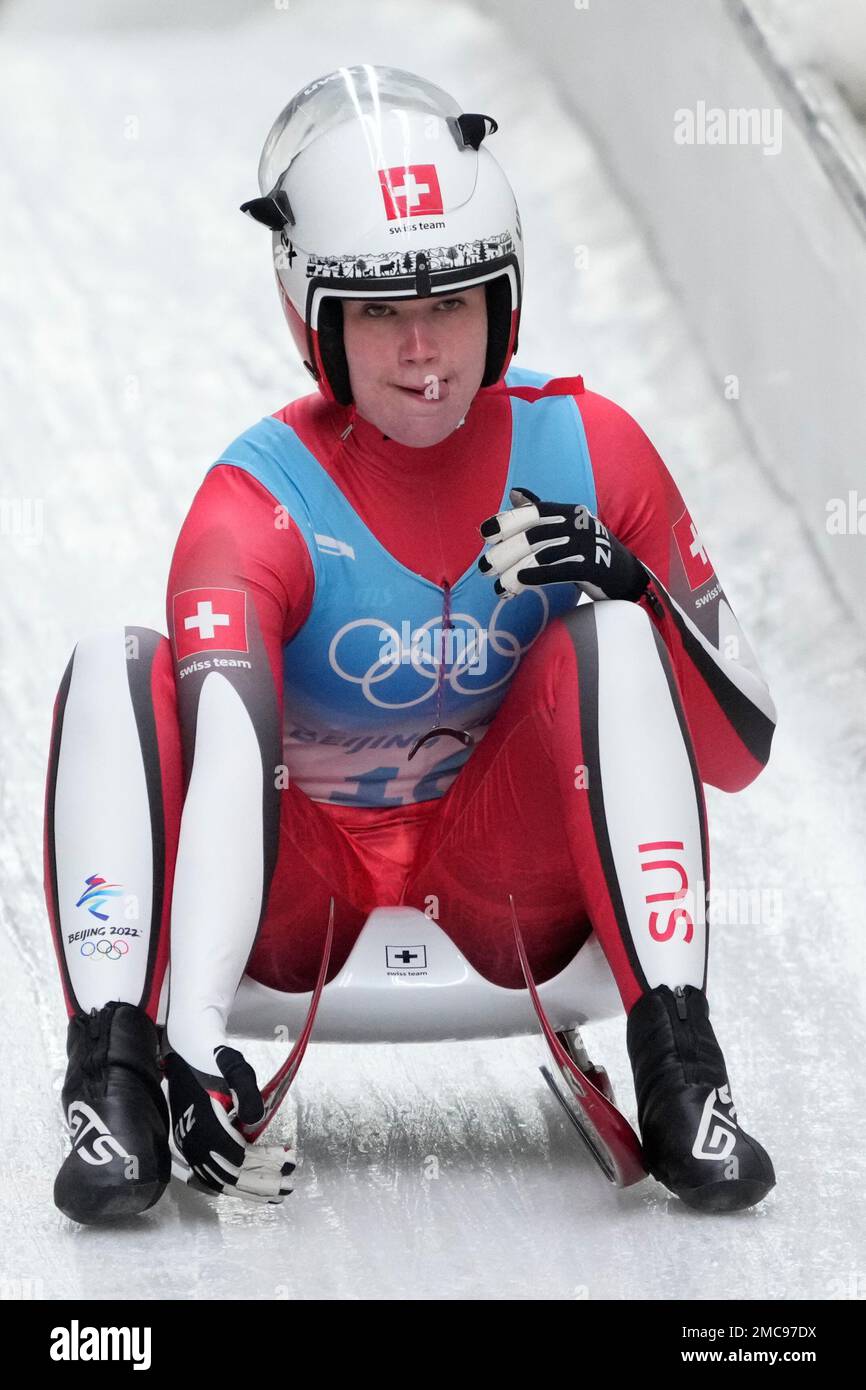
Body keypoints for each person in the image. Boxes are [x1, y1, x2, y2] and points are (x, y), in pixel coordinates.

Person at [43, 64, 778, 1223]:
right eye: (380, 310)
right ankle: (120, 1073)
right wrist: (195, 1040)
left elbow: (741, 750)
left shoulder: (594, 451)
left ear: (508, 302)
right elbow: (230, 758)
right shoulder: (253, 500)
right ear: (315, 322)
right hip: (296, 904)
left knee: (612, 640)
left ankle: (684, 1064)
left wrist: (631, 582)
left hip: (501, 888)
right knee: (119, 665)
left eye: (453, 300)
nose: (425, 348)